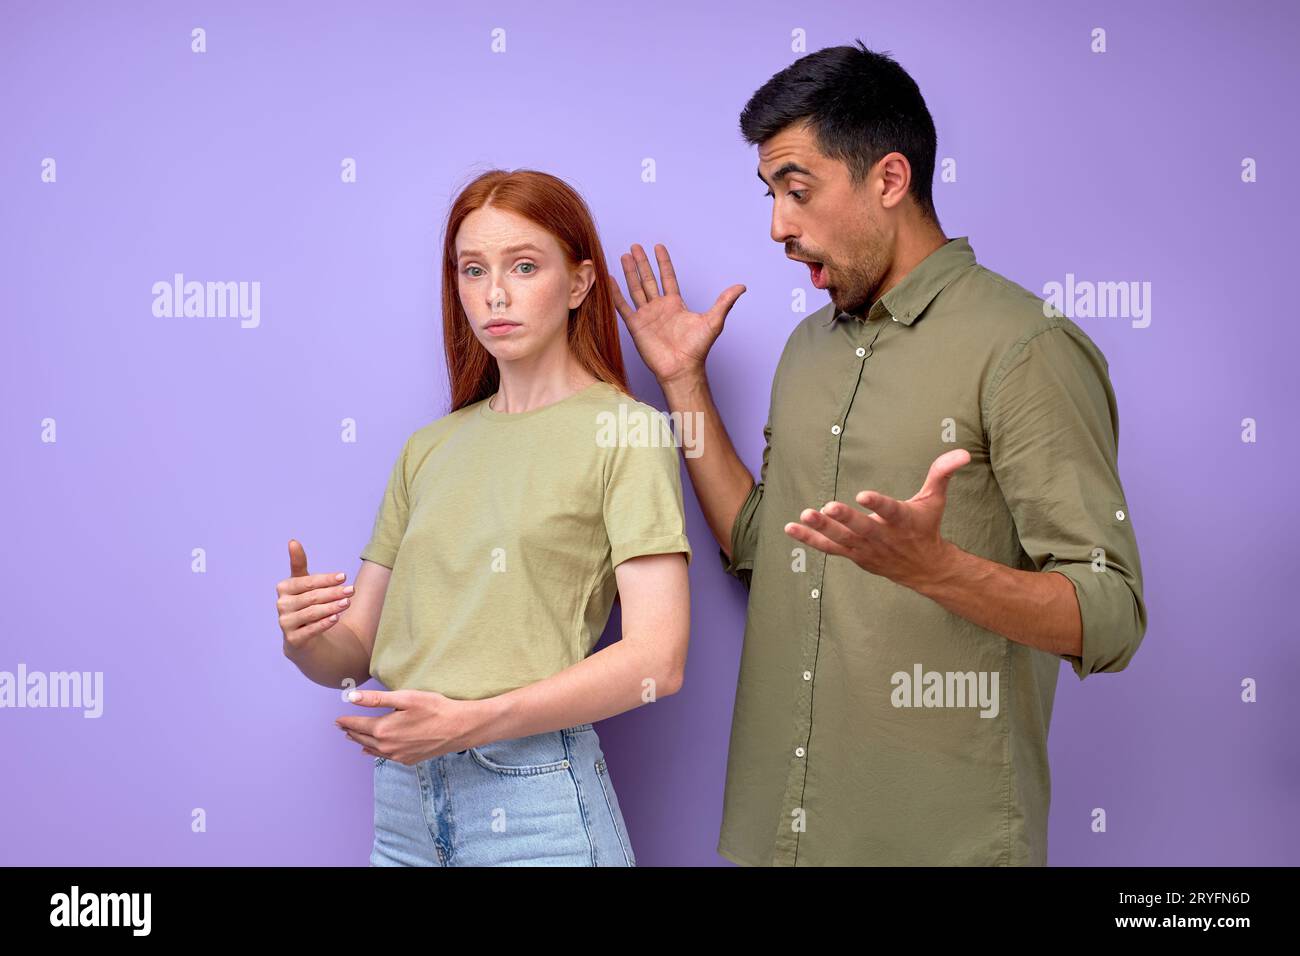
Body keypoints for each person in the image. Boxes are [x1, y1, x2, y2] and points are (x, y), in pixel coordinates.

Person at [610, 40, 1147, 865]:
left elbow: (1111, 613)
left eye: (797, 190)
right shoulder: (805, 350)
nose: (777, 226)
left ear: (890, 179)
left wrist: (934, 567)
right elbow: (763, 550)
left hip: (939, 843)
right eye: (771, 194)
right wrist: (682, 381)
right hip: (778, 835)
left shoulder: (1025, 347)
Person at [276, 168, 693, 866]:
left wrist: (468, 724)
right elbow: (354, 654)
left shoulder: (627, 432)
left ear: (580, 283)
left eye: (524, 266)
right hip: (405, 804)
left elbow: (660, 659)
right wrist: (304, 642)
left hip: (536, 800)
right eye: (473, 270)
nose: (494, 293)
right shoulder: (428, 449)